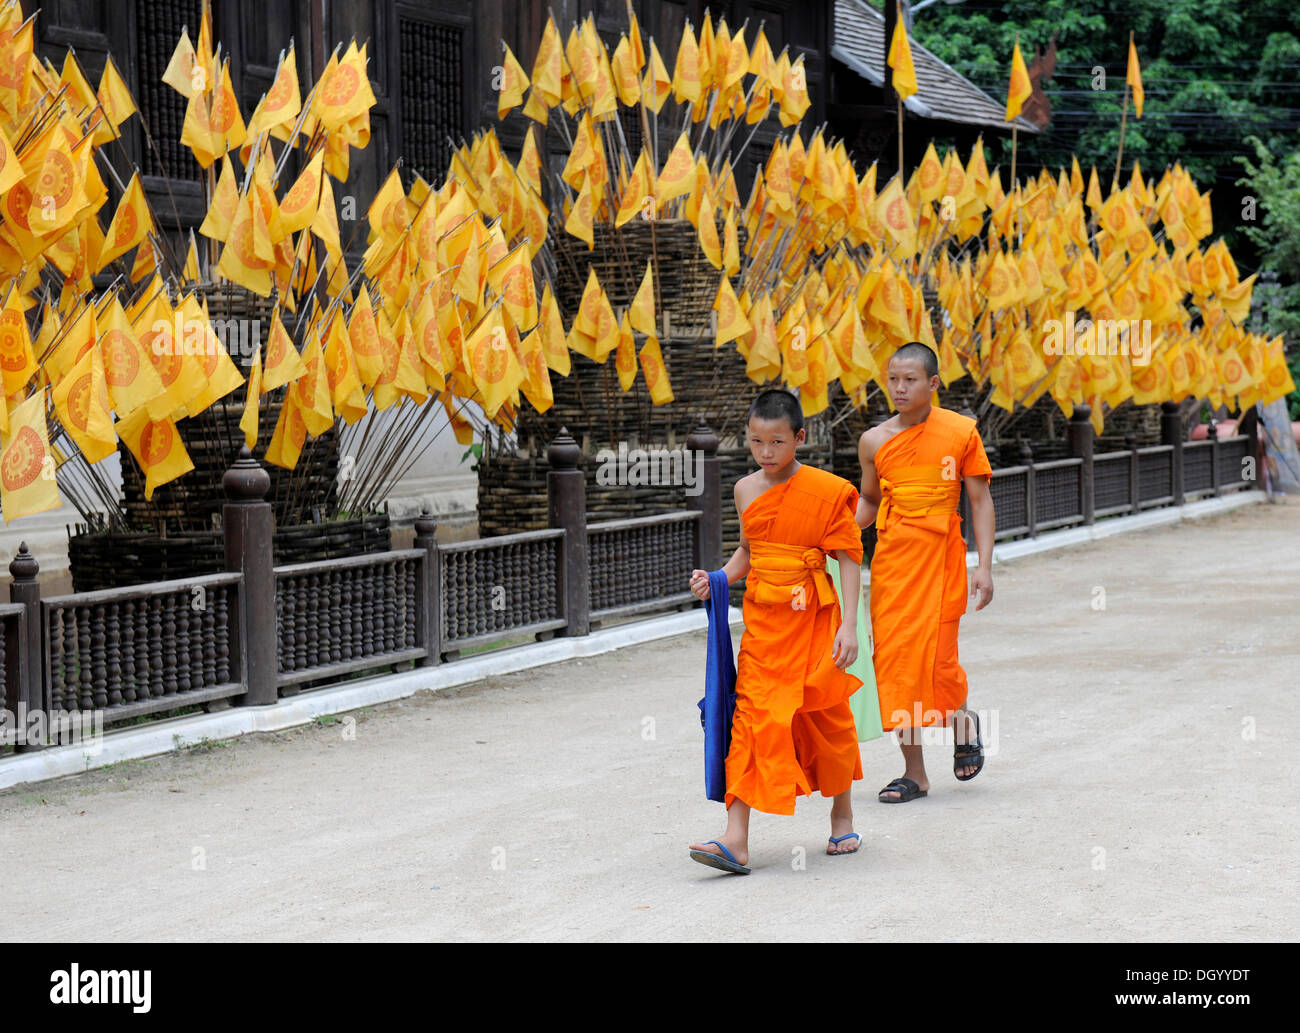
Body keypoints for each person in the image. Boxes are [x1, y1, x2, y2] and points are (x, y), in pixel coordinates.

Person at [687, 388, 866, 875]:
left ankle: (842, 813)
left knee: (826, 718)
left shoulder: (828, 490)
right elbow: (749, 553)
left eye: (777, 442)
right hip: (764, 624)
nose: (766, 453)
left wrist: (849, 625)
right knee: (751, 717)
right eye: (756, 442)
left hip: (812, 620)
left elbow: (849, 558)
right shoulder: (746, 489)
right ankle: (736, 838)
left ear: (800, 438)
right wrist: (718, 578)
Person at [857, 342, 995, 803]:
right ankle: (914, 773)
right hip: (894, 564)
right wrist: (829, 534)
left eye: (910, 379)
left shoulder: (959, 433)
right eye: (893, 378)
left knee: (938, 662)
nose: (899, 387)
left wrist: (985, 566)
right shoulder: (874, 440)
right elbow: (871, 502)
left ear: (933, 384)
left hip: (941, 560)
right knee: (894, 666)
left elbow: (979, 501)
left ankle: (963, 722)